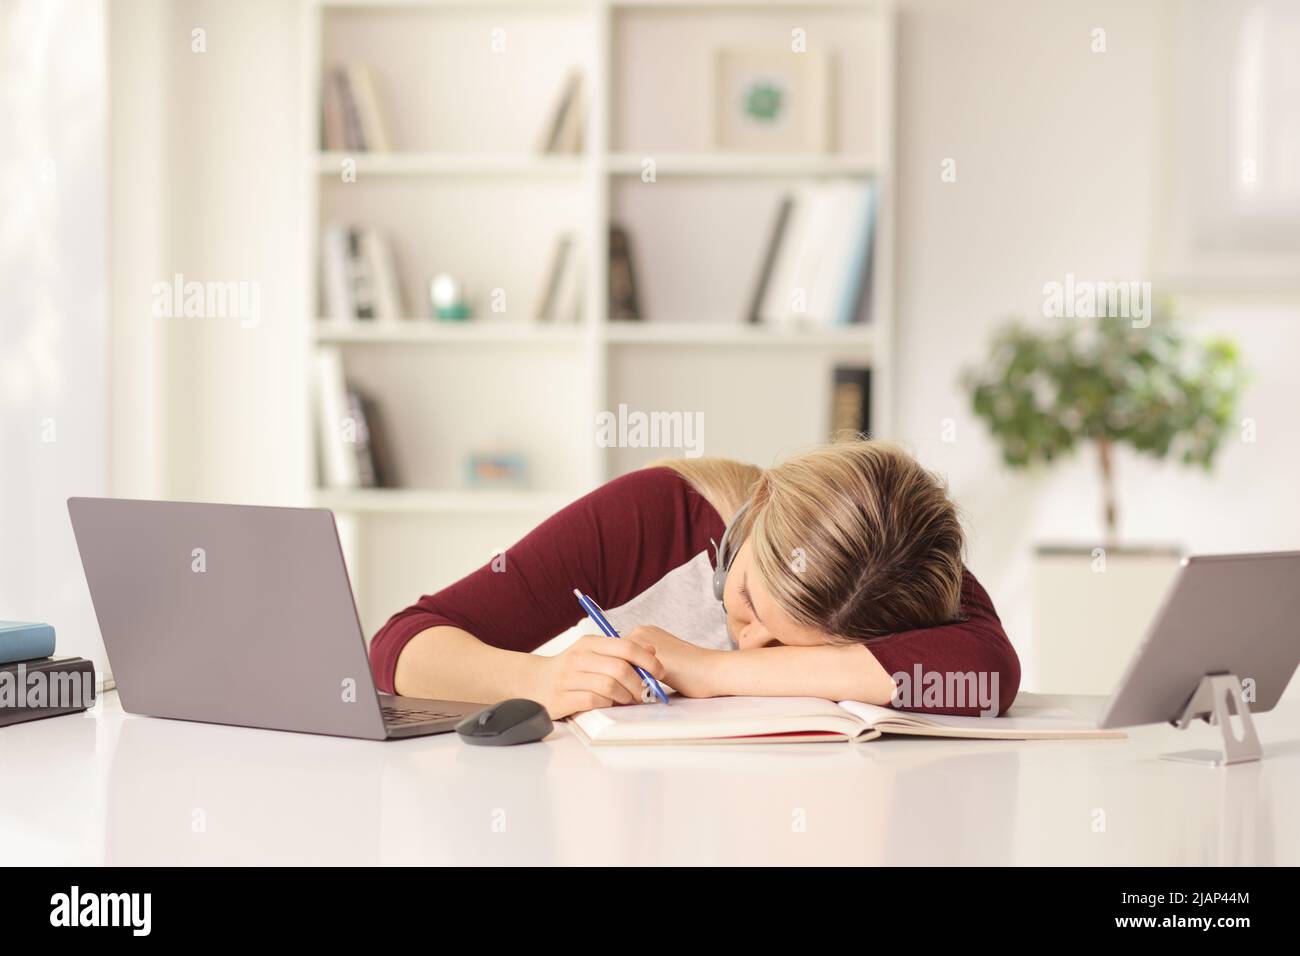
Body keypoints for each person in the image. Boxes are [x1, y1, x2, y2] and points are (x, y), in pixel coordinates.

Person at [370, 440, 1019, 719]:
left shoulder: (888, 565)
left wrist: (708, 671)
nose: (751, 640)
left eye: (796, 645)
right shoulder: (654, 515)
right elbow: (400, 646)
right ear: (758, 508)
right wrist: (544, 680)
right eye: (746, 601)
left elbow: (988, 673)